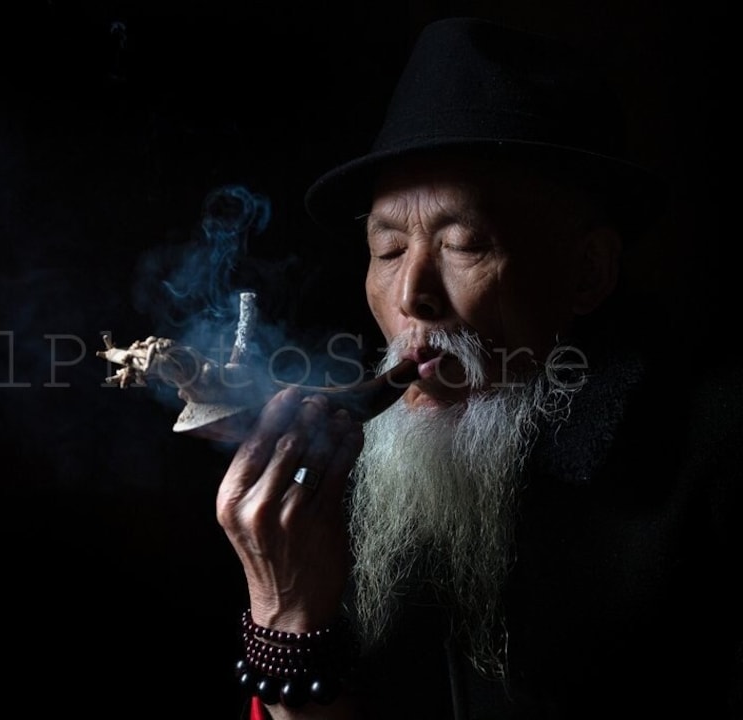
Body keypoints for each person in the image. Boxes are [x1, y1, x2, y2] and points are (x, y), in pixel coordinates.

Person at [215, 16, 742, 720]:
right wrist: (286, 618)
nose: (413, 295)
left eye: (464, 245)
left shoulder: (714, 456)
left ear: (587, 271)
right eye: (388, 250)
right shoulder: (341, 486)